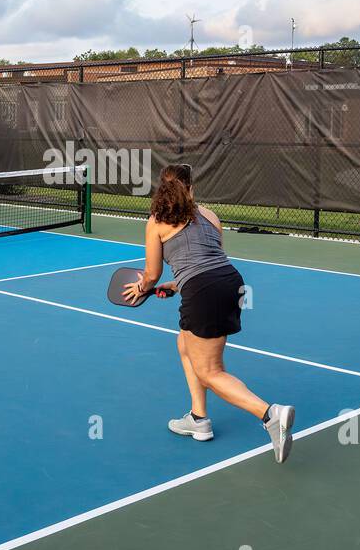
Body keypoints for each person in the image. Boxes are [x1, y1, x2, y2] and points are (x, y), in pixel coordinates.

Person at [124, 164, 296, 462]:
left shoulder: (156, 221)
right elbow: (212, 260)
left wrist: (142, 288)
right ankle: (198, 418)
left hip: (204, 291)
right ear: (191, 188)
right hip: (230, 282)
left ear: (161, 188)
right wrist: (178, 285)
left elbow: (150, 274)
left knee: (210, 371)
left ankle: (270, 415)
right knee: (184, 343)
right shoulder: (209, 215)